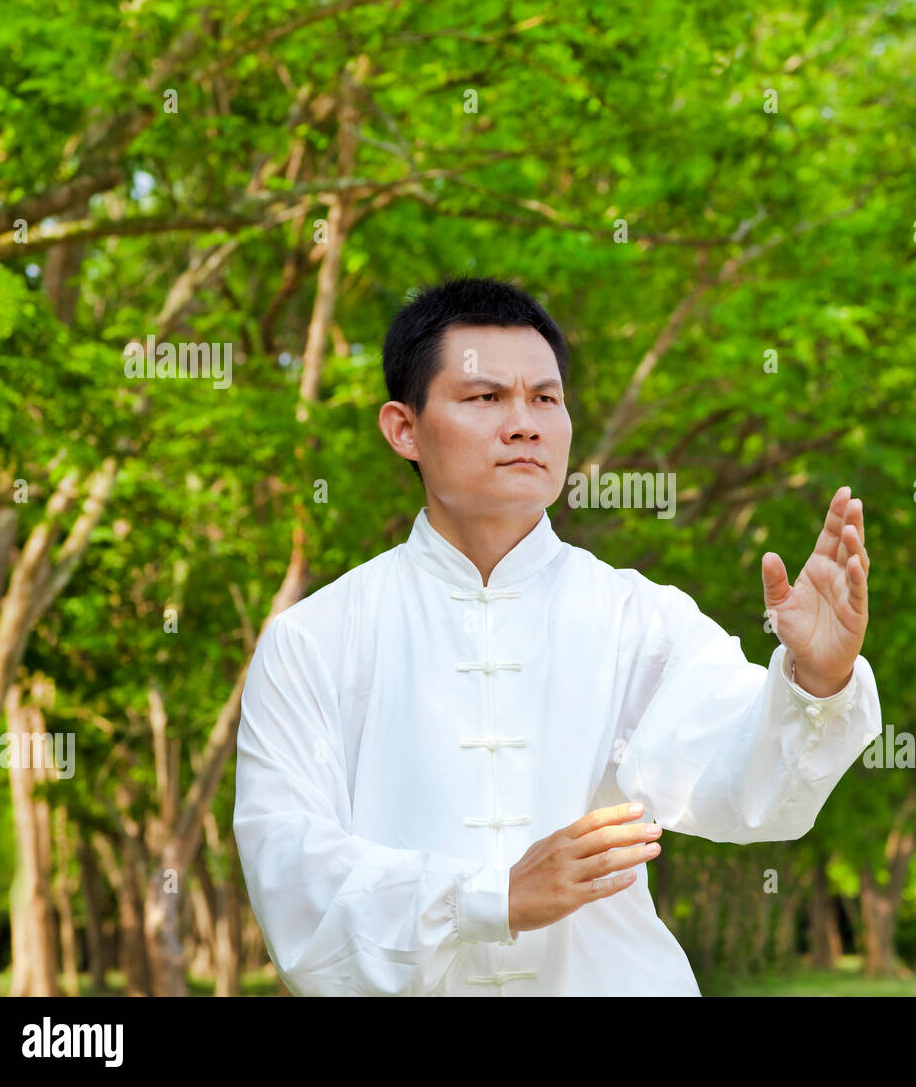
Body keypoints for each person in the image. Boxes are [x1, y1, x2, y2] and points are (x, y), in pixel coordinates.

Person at [233, 276, 882, 996]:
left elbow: (742, 791)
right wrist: (492, 898)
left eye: (545, 398)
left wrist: (814, 681)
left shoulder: (639, 619)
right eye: (485, 399)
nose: (524, 423)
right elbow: (289, 873)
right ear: (403, 428)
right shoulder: (314, 640)